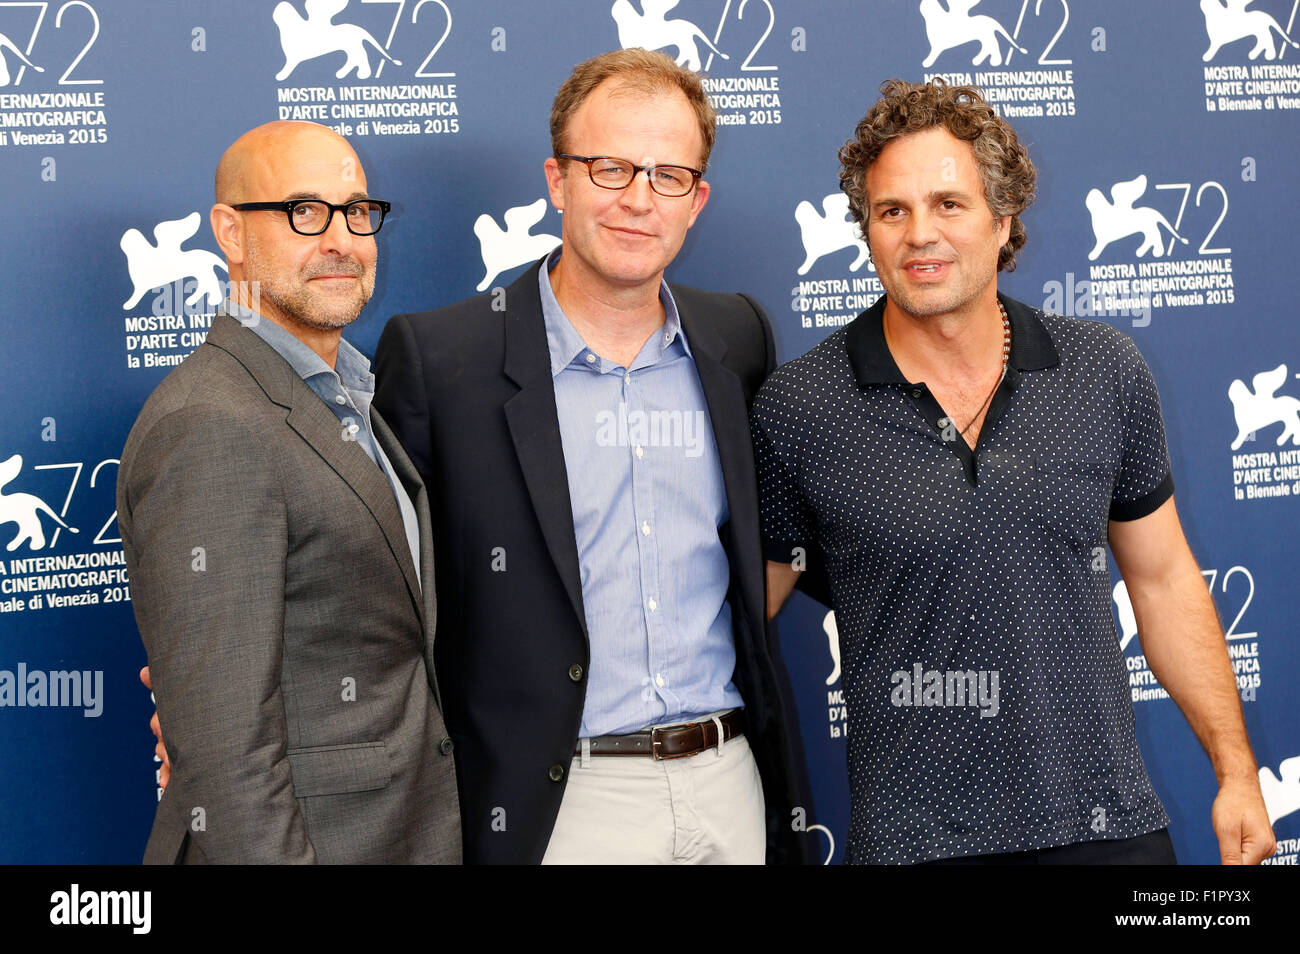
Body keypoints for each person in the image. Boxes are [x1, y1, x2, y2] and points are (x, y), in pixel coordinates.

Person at [753, 79, 1275, 865]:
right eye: (892, 211)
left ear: (1004, 222)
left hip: (1110, 830)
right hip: (915, 846)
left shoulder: (1103, 369)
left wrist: (1237, 774)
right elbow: (737, 619)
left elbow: (1165, 580)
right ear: (866, 230)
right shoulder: (800, 406)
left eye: (949, 205)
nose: (919, 234)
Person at [372, 49, 808, 865]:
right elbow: (372, 583)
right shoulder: (442, 361)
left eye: (668, 175)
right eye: (609, 168)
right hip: (558, 803)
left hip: (728, 782)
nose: (639, 200)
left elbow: (780, 538)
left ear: (696, 200)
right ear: (558, 180)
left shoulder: (738, 340)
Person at [120, 121, 460, 863]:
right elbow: (222, 752)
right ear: (230, 233)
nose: (340, 239)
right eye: (304, 212)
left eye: (356, 210)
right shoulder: (210, 422)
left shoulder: (352, 395)